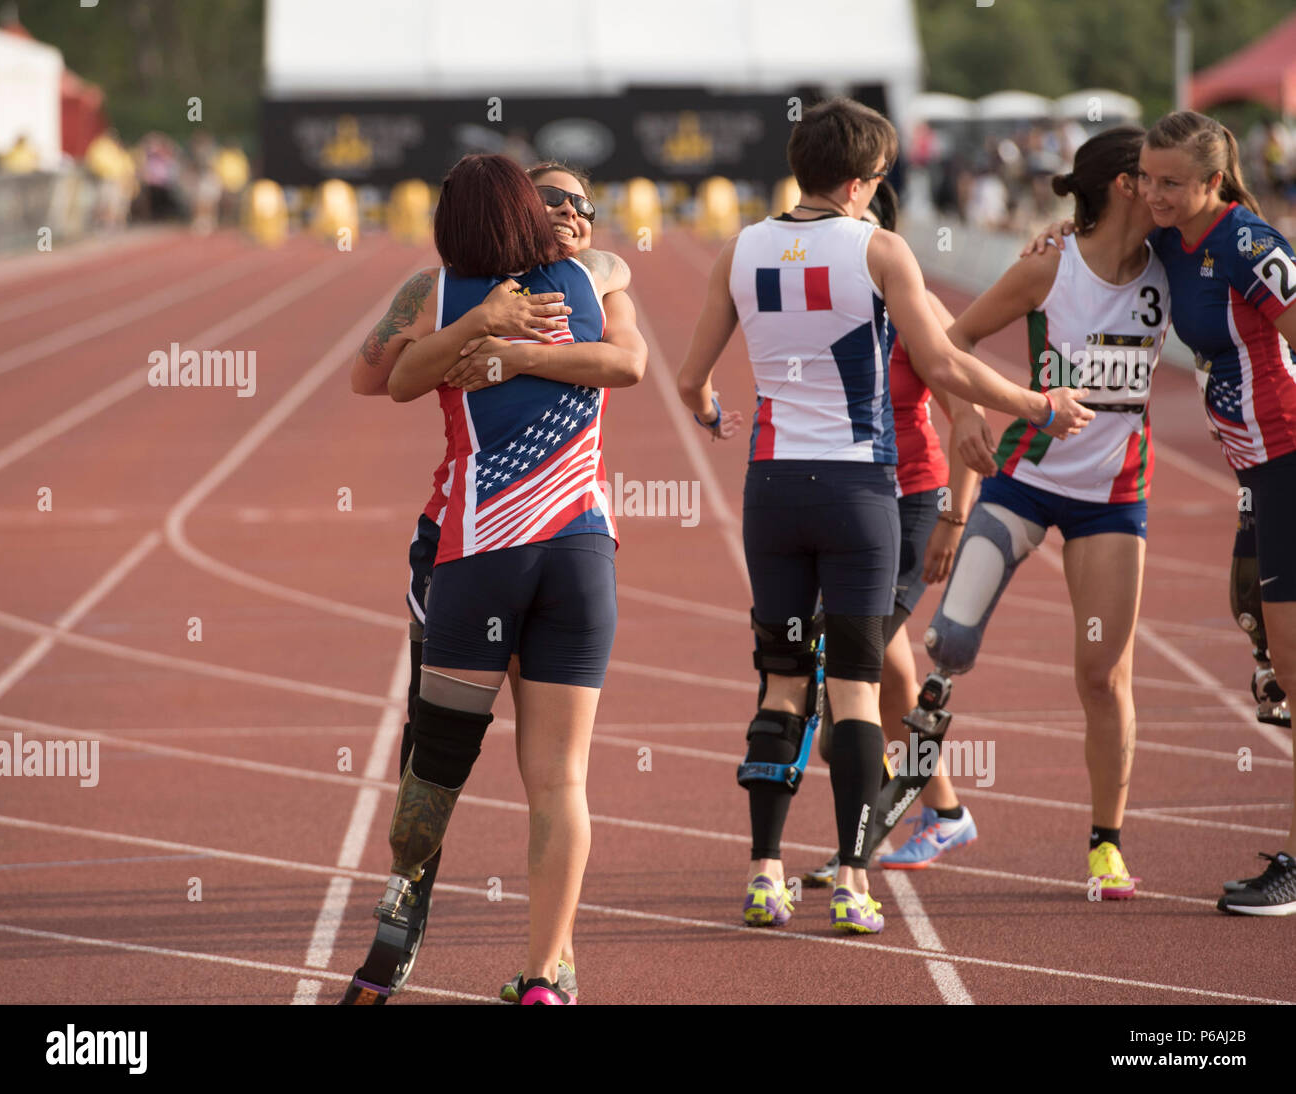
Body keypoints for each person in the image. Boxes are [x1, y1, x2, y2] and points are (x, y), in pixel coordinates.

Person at [675, 97, 1092, 934]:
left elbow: (691, 379)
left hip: (772, 488)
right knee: (858, 691)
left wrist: (712, 406)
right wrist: (1037, 404)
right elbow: (944, 363)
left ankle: (764, 874)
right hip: (862, 491)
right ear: (866, 181)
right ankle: (856, 884)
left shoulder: (741, 250)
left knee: (782, 682)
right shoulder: (879, 248)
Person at [344, 153, 644, 1005]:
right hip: (582, 554)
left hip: (479, 553)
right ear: (527, 208)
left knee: (434, 762)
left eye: (585, 203)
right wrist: (498, 326)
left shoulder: (440, 293)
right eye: (558, 201)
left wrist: (496, 343)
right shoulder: (592, 284)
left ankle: (410, 901)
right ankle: (545, 975)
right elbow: (627, 357)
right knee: (560, 780)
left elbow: (392, 380)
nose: (575, 214)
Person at [1026, 112, 1296, 915]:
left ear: (1214, 183)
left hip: (1288, 462)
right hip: (1255, 472)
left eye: (1173, 182)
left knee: (1291, 670)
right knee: (1272, 660)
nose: (1154, 193)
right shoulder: (1175, 241)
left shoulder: (1249, 247)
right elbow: (1098, 241)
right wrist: (1057, 238)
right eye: (1147, 178)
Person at [897, 126, 1171, 899]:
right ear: (1125, 185)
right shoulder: (1050, 268)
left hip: (1116, 497)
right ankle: (927, 809)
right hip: (1024, 479)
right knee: (947, 643)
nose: (1164, 191)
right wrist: (963, 417)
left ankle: (1105, 843)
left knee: (1102, 674)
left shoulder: (1175, 264)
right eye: (1153, 178)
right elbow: (946, 342)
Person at [805, 182, 985, 886]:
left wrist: (953, 518)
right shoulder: (819, 310)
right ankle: (942, 810)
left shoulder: (915, 313)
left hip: (912, 502)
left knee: (853, 676)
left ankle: (870, 830)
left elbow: (969, 420)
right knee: (889, 671)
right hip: (846, 505)